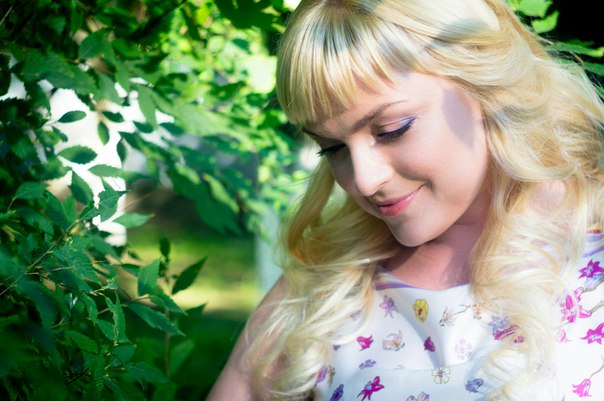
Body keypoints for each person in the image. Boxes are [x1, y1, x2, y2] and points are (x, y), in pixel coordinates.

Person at [207, 0, 604, 399]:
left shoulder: (594, 245)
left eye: (392, 129)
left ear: (486, 83)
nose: (364, 180)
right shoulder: (327, 288)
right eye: (332, 148)